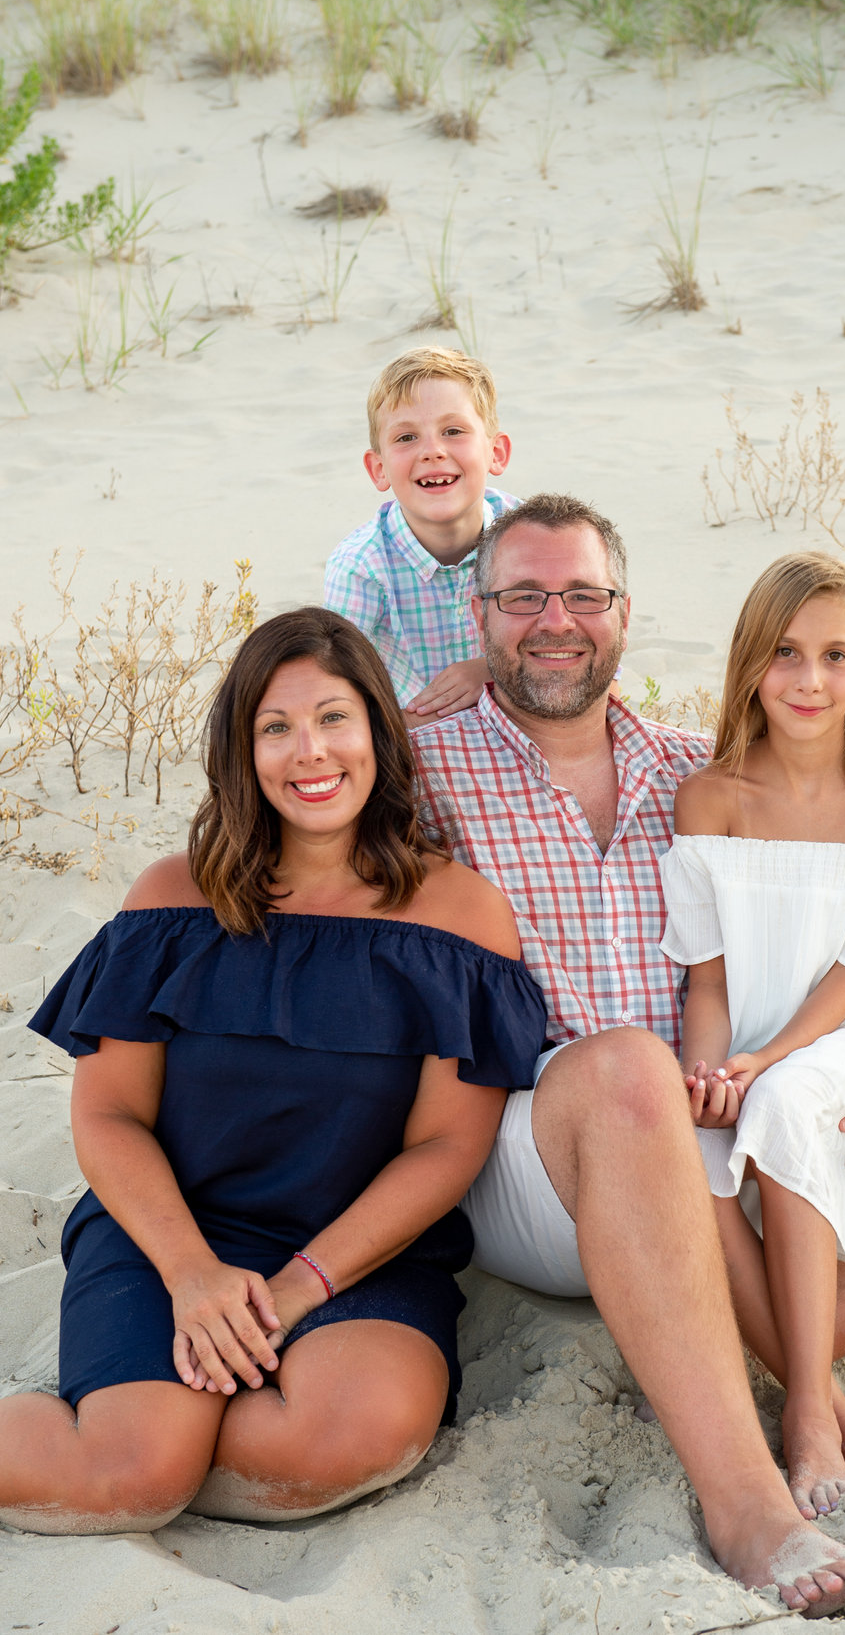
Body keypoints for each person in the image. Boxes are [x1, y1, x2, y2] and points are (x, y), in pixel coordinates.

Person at [414, 493, 845, 1613]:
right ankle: (753, 1499)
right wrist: (406, 694)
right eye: (521, 596)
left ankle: (699, 1343)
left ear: (625, 613)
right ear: (476, 615)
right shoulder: (423, 762)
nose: (553, 619)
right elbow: (302, 775)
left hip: (731, 1137)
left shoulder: (699, 770)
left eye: (581, 594)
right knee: (630, 1072)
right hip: (552, 1150)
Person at [1, 608, 546, 1535]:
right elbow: (109, 1120)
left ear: (376, 728)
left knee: (342, 1440)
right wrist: (192, 1278)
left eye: (334, 718)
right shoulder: (172, 898)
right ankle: (147, 1436)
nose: (310, 753)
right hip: (172, 1233)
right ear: (241, 750)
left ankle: (173, 1421)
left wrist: (297, 1287)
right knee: (129, 1477)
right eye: (276, 727)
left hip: (360, 1253)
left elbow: (448, 1145)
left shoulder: (458, 916)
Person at [660, 551, 845, 1523]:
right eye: (783, 653)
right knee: (681, 1153)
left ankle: (807, 1423)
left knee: (781, 1104)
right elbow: (706, 978)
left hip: (838, 1044)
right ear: (749, 665)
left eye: (833, 654)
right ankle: (823, 1385)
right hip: (739, 1040)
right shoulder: (713, 800)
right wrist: (708, 1064)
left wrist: (765, 1061)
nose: (807, 679)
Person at [324, 346, 520, 728]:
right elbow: (338, 698)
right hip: (414, 746)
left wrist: (492, 670)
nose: (432, 451)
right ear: (378, 469)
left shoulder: (530, 536)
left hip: (525, 735)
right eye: (406, 437)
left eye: (453, 431)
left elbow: (590, 664)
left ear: (495, 452)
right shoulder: (360, 568)